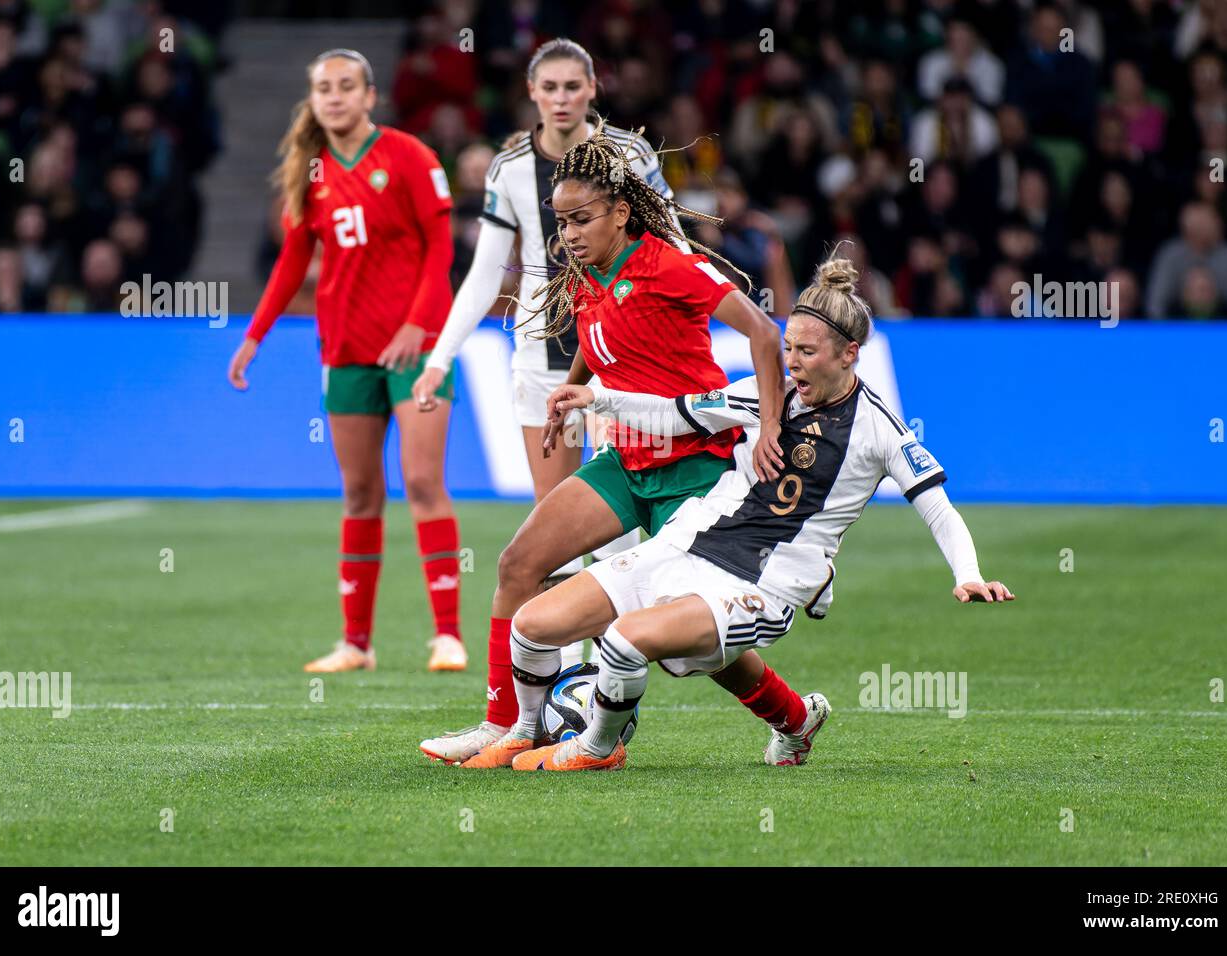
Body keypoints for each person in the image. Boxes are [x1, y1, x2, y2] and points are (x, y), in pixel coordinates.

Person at [499, 249, 1014, 771]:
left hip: (760, 585)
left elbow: (938, 508)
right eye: (788, 347)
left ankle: (595, 749)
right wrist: (597, 399)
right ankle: (520, 733)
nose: (791, 362)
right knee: (532, 624)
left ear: (849, 354)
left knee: (624, 641)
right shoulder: (767, 395)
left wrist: (968, 574)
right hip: (689, 544)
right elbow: (677, 414)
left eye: (807, 352)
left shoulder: (881, 429)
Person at [443, 125, 825, 770]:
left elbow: (764, 333)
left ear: (622, 212)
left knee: (687, 649)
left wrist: (765, 426)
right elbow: (598, 349)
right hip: (625, 461)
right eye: (560, 222)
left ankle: (793, 716)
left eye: (581, 219)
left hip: (698, 469)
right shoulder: (586, 277)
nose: (568, 234)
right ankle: (506, 722)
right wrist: (568, 393)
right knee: (517, 563)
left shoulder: (669, 264)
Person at [411, 39, 653, 686]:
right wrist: (439, 358)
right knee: (556, 528)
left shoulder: (630, 156)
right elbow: (486, 273)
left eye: (574, 85)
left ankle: (615, 672)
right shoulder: (510, 167)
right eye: (550, 87)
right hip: (541, 363)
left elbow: (670, 247)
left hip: (619, 363)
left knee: (618, 526)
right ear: (532, 92)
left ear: (594, 88)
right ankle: (573, 678)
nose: (563, 98)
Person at [226, 50, 463, 674]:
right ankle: (355, 644)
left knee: (420, 481)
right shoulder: (312, 171)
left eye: (345, 87)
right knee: (360, 493)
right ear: (314, 99)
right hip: (346, 349)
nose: (333, 97)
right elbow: (290, 263)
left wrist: (418, 324)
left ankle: (447, 635)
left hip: (417, 350)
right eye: (323, 88)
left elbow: (441, 254)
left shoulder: (409, 156)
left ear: (369, 95)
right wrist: (255, 336)